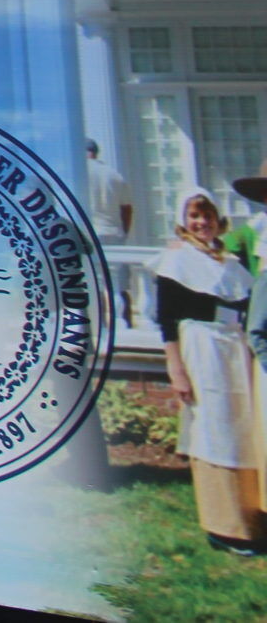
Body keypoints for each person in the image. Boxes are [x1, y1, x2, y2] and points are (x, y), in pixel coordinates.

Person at [158, 190, 263, 553]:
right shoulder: (176, 262)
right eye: (194, 216)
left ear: (218, 220)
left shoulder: (230, 261)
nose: (201, 223)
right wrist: (177, 370)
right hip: (202, 348)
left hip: (236, 347)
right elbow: (166, 322)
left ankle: (251, 519)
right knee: (214, 429)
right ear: (183, 221)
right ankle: (223, 527)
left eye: (207, 216)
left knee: (243, 428)